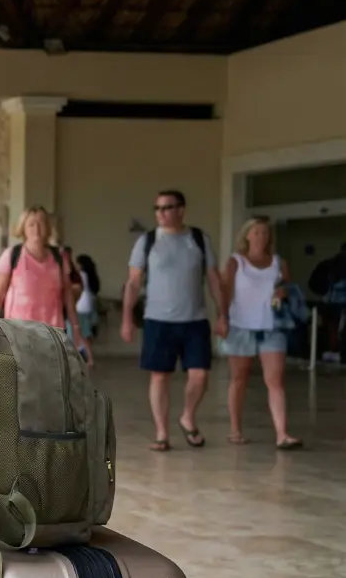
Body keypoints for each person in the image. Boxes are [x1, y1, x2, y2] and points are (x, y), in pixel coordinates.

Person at [121, 189, 224, 451]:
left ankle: (187, 416)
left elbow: (213, 278)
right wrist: (126, 318)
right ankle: (162, 432)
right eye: (157, 208)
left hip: (195, 320)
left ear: (181, 209)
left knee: (200, 375)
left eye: (167, 207)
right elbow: (133, 282)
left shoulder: (199, 239)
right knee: (160, 376)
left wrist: (223, 313)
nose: (161, 213)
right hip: (158, 320)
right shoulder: (148, 240)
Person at [219, 217, 302, 449]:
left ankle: (282, 433)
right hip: (240, 325)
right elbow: (225, 292)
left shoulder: (278, 262)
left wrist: (283, 293)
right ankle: (235, 429)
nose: (261, 237)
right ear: (246, 235)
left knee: (275, 379)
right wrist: (222, 318)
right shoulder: (236, 262)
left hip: (272, 326)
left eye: (265, 233)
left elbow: (288, 289)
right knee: (239, 377)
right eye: (256, 232)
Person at [0, 206, 93, 364]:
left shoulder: (59, 258)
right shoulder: (12, 255)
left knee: (51, 383)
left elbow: (67, 296)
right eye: (31, 224)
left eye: (41, 223)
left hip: (52, 335)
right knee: (24, 383)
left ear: (48, 228)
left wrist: (76, 328)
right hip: (19, 335)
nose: (36, 229)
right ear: (23, 228)